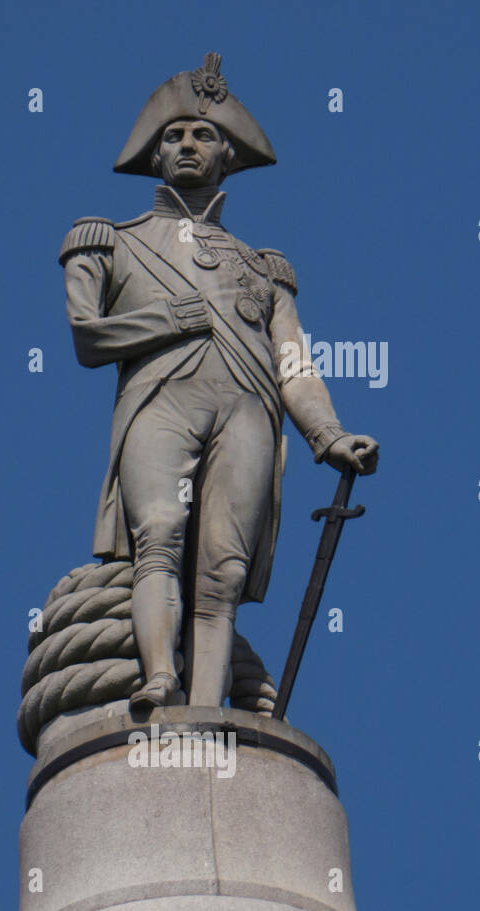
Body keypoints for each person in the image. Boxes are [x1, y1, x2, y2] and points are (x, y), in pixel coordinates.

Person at [60, 52, 378, 713]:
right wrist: (171, 318)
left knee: (223, 571)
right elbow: (88, 338)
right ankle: (157, 678)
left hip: (247, 409)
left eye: (201, 135)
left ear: (226, 154)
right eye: (172, 136)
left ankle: (206, 710)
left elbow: (293, 364)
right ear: (153, 155)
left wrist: (329, 435)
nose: (186, 145)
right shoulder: (109, 241)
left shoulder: (265, 270)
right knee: (160, 531)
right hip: (161, 399)